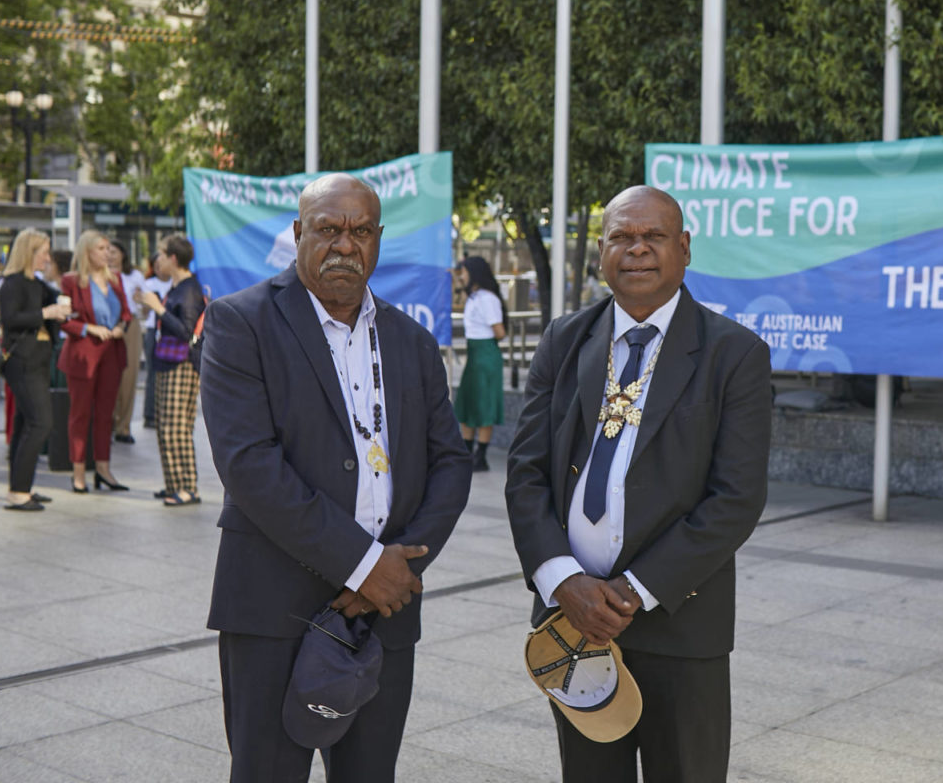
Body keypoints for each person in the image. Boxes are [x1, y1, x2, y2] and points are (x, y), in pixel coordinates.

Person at [199, 173, 472, 783]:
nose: (345, 245)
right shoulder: (239, 324)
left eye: (360, 231)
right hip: (272, 608)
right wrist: (363, 563)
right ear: (299, 234)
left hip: (385, 610)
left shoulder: (414, 341)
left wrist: (400, 570)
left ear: (378, 240)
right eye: (327, 229)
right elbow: (249, 464)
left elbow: (451, 462)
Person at [505, 185, 772, 782]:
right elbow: (524, 475)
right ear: (601, 252)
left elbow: (736, 499)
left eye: (653, 237)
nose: (637, 250)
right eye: (622, 237)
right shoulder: (564, 340)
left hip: (681, 623)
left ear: (683, 249)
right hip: (572, 624)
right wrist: (563, 580)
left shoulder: (734, 355)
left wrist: (633, 590)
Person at [133, 234, 206, 506]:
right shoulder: (177, 287)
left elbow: (187, 332)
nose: (157, 260)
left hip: (181, 364)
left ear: (174, 258)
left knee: (176, 427)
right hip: (168, 362)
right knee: (166, 427)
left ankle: (187, 488)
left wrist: (158, 310)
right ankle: (173, 484)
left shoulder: (188, 289)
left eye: (161, 255)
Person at [0, 229, 67, 511]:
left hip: (38, 357)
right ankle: (19, 491)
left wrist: (57, 309)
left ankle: (20, 487)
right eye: (43, 252)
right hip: (22, 360)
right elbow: (10, 319)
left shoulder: (38, 284)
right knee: (41, 422)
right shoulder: (12, 284)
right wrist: (46, 314)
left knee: (25, 424)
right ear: (30, 252)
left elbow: (58, 294)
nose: (47, 258)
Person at [59, 230, 133, 493]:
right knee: (80, 414)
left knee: (105, 415)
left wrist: (122, 326)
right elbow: (64, 319)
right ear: (86, 252)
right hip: (83, 355)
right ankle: (78, 472)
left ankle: (103, 469)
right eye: (101, 248)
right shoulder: (70, 281)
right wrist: (89, 329)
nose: (107, 253)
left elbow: (125, 312)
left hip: (112, 353)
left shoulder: (116, 280)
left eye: (108, 249)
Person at [453, 255, 508, 471]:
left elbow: (500, 332)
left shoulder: (487, 299)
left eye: (465, 272)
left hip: (485, 356)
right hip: (475, 355)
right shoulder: (474, 297)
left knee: (484, 405)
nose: (462, 276)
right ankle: (467, 452)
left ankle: (480, 456)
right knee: (469, 404)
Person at [111, 247, 146, 444]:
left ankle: (123, 426)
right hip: (107, 324)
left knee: (129, 376)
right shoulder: (101, 274)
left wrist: (141, 301)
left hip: (130, 324)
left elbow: (145, 309)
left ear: (123, 254)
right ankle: (106, 424)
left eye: (114, 251)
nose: (109, 255)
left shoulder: (134, 276)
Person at [139, 253, 171, 431]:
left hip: (169, 331)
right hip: (153, 330)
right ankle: (149, 414)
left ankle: (164, 412)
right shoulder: (149, 284)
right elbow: (144, 313)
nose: (159, 268)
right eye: (156, 264)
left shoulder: (177, 284)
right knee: (152, 373)